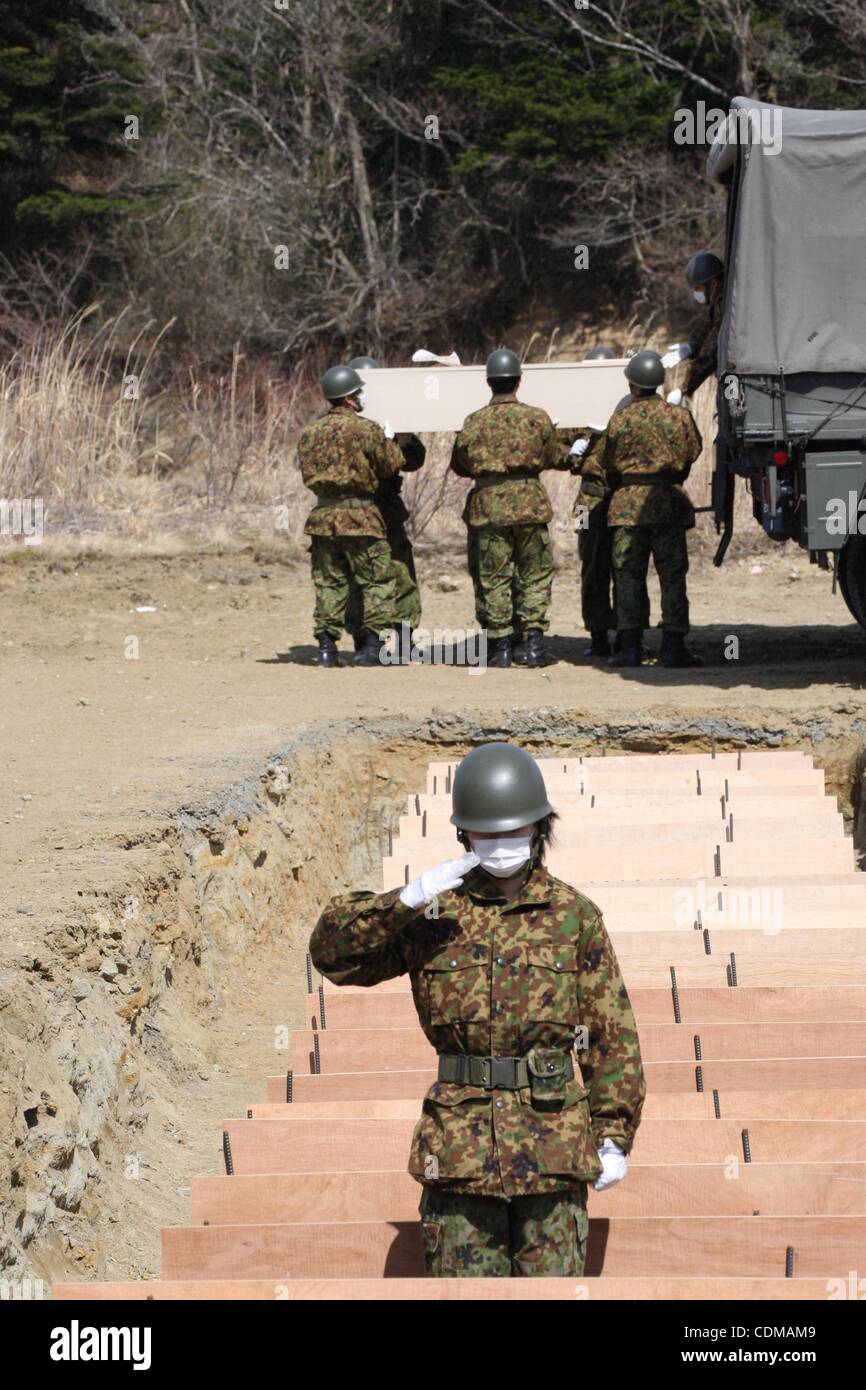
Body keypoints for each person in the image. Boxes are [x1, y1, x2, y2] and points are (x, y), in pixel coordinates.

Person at [309, 742, 646, 1277]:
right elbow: (333, 956)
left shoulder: (574, 918)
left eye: (514, 831)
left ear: (539, 828)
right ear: (464, 835)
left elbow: (611, 1037)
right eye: (488, 834)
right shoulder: (435, 912)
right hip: (459, 1155)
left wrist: (612, 1136)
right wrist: (406, 900)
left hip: (552, 1154)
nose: (502, 844)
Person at [449, 349, 573, 668]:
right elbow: (556, 457)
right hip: (529, 503)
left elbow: (459, 464)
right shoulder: (537, 417)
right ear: (518, 381)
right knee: (534, 573)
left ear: (489, 382)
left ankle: (500, 646)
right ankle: (531, 644)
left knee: (494, 575)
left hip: (489, 505)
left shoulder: (473, 421)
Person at [596, 349, 704, 668]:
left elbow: (605, 460)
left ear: (632, 385)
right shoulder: (678, 415)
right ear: (658, 382)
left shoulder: (621, 418)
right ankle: (673, 646)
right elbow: (693, 450)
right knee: (672, 576)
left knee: (628, 575)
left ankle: (630, 646)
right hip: (669, 503)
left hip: (628, 505)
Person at [296, 364, 404, 667]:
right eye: (357, 392)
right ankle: (371, 647)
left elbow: (307, 472)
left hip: (323, 517)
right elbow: (390, 465)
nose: (361, 396)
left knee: (329, 583)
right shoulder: (366, 429)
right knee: (376, 581)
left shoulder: (310, 432)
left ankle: (327, 647)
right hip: (361, 517)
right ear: (348, 399)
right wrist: (391, 440)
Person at [343, 357, 426, 658]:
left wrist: (400, 440)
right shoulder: (344, 423)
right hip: (354, 510)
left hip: (387, 508)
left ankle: (404, 636)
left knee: (400, 572)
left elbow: (416, 458)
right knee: (358, 576)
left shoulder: (391, 416)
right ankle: (364, 637)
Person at [661, 251, 725, 398]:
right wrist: (691, 347)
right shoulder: (719, 300)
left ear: (713, 284)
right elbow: (707, 324)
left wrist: (684, 388)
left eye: (698, 288)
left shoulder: (725, 303)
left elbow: (711, 352)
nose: (696, 293)